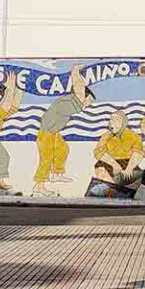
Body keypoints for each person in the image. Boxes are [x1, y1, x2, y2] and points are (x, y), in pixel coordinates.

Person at [33, 64, 94, 197]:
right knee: (46, 159)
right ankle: (39, 186)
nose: (89, 104)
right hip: (46, 133)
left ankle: (56, 174)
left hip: (54, 133)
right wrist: (75, 72)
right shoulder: (71, 102)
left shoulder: (70, 102)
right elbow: (79, 87)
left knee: (62, 149)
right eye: (89, 100)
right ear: (84, 96)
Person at [92, 109, 145, 185]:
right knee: (99, 167)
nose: (112, 123)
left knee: (138, 176)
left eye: (116, 120)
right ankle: (112, 188)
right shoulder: (106, 136)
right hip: (110, 162)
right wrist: (115, 165)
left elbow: (138, 153)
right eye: (111, 120)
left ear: (123, 122)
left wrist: (129, 168)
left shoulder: (134, 135)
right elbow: (98, 152)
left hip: (128, 162)